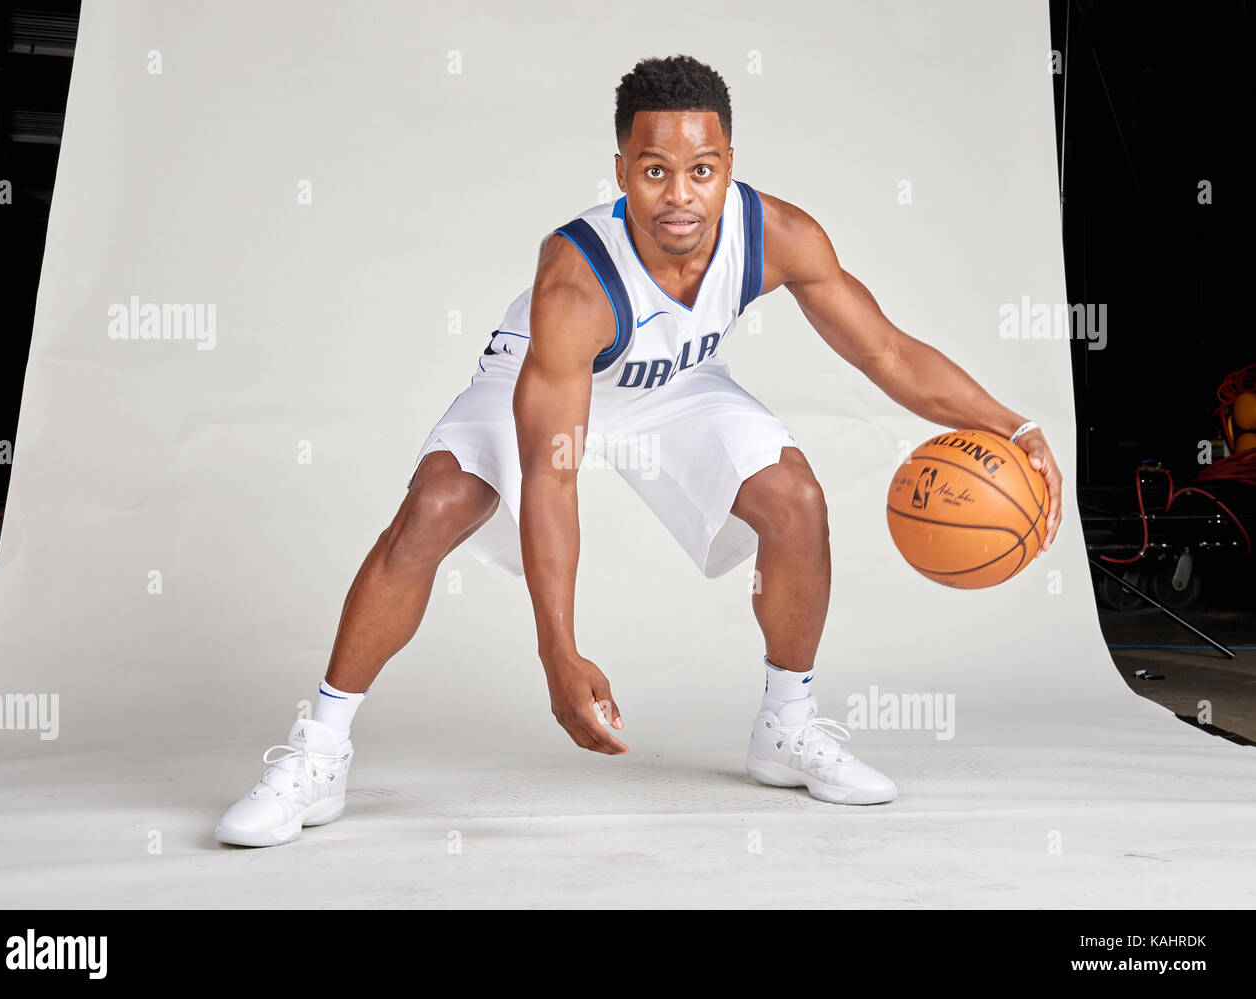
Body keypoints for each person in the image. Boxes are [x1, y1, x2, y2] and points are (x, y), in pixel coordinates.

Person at [215, 54, 1063, 847]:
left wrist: (1015, 425)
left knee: (796, 500)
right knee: (434, 509)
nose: (680, 195)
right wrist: (559, 647)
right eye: (654, 170)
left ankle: (788, 727)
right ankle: (318, 755)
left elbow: (887, 353)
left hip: (675, 385)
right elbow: (554, 477)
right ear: (621, 170)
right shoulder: (574, 281)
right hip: (547, 370)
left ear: (729, 161)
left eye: (703, 168)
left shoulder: (778, 235)